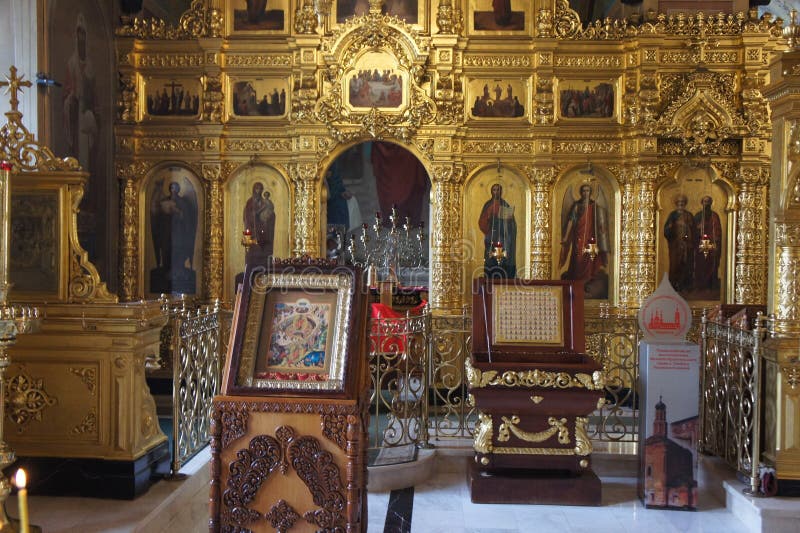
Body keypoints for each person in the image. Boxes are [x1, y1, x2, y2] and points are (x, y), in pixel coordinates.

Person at [63, 12, 98, 177]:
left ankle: (88, 187)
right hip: (76, 114)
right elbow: (67, 92)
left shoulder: (90, 65)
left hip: (87, 113)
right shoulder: (71, 64)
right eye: (79, 35)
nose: (81, 39)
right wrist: (71, 98)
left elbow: (95, 93)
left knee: (88, 155)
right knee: (78, 152)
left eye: (84, 35)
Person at [559, 183, 609, 297]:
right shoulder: (577, 205)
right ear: (580, 193)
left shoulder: (594, 205)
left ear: (590, 193)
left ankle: (587, 280)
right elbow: (571, 221)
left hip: (591, 237)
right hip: (579, 235)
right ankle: (577, 281)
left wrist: (602, 234)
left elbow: (600, 221)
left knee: (590, 257)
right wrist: (566, 236)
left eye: (587, 191)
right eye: (583, 191)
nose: (585, 193)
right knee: (578, 256)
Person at [150, 179, 198, 293]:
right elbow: (157, 215)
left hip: (179, 232)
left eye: (175, 189)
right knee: (166, 249)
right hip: (167, 232)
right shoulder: (164, 201)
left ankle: (178, 271)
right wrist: (165, 210)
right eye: (172, 188)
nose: (173, 191)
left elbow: (187, 218)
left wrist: (178, 212)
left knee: (179, 250)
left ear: (178, 190)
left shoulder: (183, 202)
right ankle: (168, 271)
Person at [478, 183, 517, 278]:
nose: (496, 192)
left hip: (503, 235)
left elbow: (512, 223)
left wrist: (509, 220)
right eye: (494, 190)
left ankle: (505, 275)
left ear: (501, 191)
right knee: (490, 256)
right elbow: (482, 221)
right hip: (492, 235)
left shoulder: (505, 204)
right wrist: (489, 213)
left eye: (498, 190)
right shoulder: (488, 205)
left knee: (504, 255)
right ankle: (490, 276)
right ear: (491, 192)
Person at [663, 194, 696, 293]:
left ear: (685, 204)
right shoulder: (673, 215)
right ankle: (673, 285)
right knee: (675, 264)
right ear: (676, 203)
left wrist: (688, 233)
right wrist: (670, 228)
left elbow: (693, 229)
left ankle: (685, 286)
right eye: (679, 202)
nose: (681, 204)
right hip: (675, 244)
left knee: (686, 264)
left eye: (682, 202)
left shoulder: (689, 215)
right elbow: (667, 230)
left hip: (686, 244)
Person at [693, 195, 722, 293]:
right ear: (702, 203)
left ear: (711, 203)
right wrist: (697, 228)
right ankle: (700, 285)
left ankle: (710, 285)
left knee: (712, 264)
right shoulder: (698, 216)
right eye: (705, 202)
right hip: (700, 244)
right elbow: (693, 229)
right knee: (700, 264)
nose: (707, 204)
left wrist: (716, 240)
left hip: (712, 244)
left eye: (708, 202)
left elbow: (718, 230)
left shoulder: (714, 216)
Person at [243, 182, 276, 264]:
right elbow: (247, 215)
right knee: (253, 253)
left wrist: (269, 216)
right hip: (253, 231)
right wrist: (254, 215)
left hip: (263, 233)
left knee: (264, 254)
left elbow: (271, 213)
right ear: (253, 190)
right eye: (257, 188)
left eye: (260, 189)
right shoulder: (250, 202)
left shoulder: (264, 201)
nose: (259, 191)